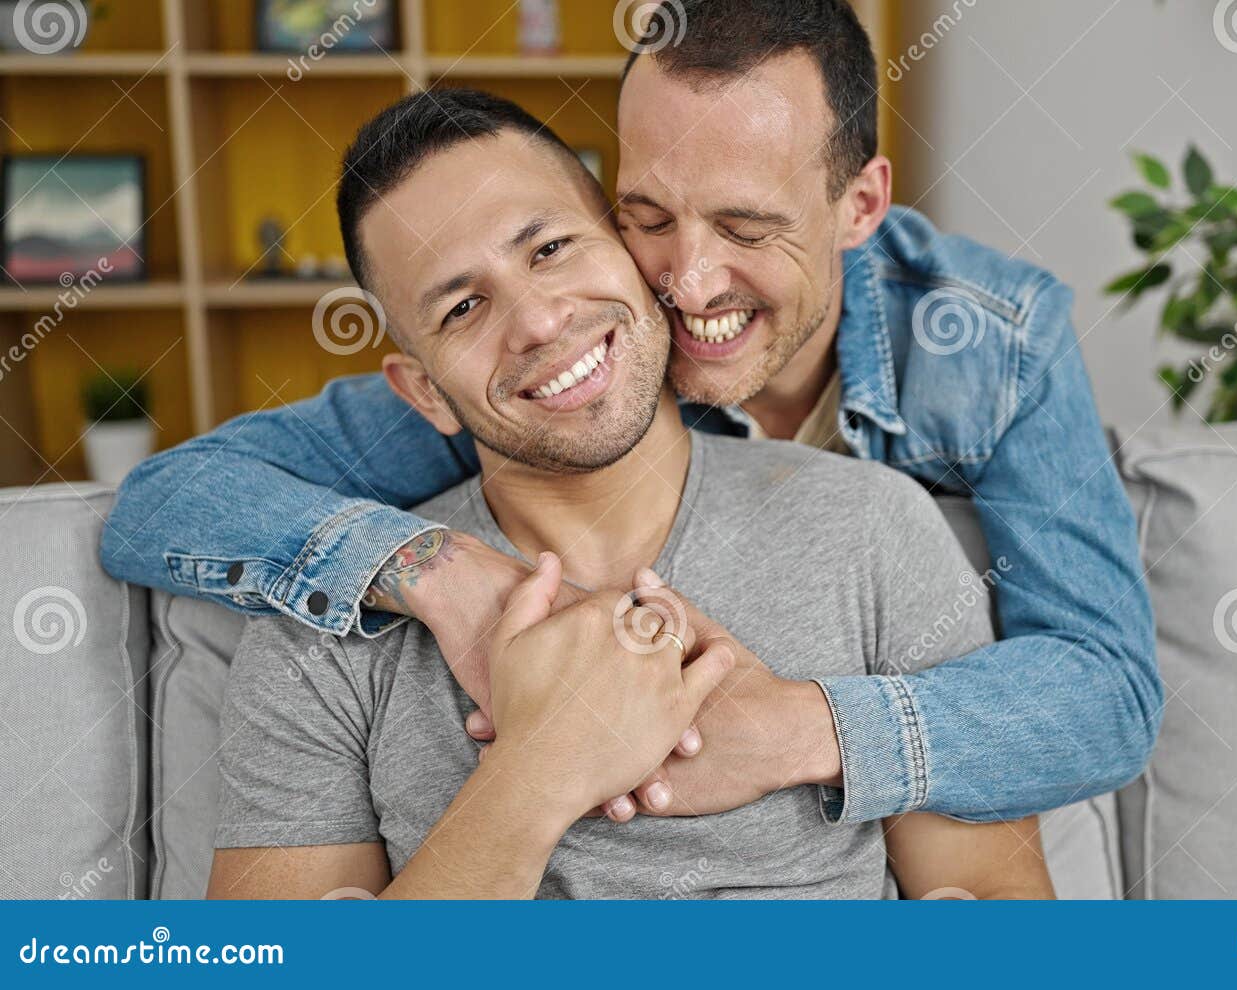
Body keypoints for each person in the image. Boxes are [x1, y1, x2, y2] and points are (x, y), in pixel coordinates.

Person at [103, 0, 1160, 829]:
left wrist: (803, 727)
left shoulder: (994, 346)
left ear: (860, 207)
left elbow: (1106, 691)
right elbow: (166, 500)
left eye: (747, 226)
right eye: (647, 216)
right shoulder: (583, 350)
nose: (688, 284)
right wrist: (445, 576)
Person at [206, 89, 1052, 899]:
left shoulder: (873, 528)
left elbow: (993, 903)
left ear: (639, 255)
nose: (537, 321)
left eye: (550, 249)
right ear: (423, 390)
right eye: (464, 307)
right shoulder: (320, 636)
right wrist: (537, 771)